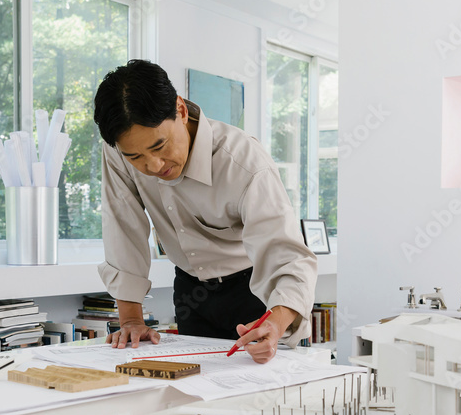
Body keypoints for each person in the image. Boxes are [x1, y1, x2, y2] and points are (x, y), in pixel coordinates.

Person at [93, 60, 317, 364]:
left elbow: (289, 257)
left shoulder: (243, 162)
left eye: (160, 146)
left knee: (257, 392)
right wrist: (131, 320)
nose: (153, 166)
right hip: (189, 290)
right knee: (194, 392)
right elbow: (122, 224)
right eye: (136, 157)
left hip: (253, 291)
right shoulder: (119, 150)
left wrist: (275, 324)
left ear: (181, 110)